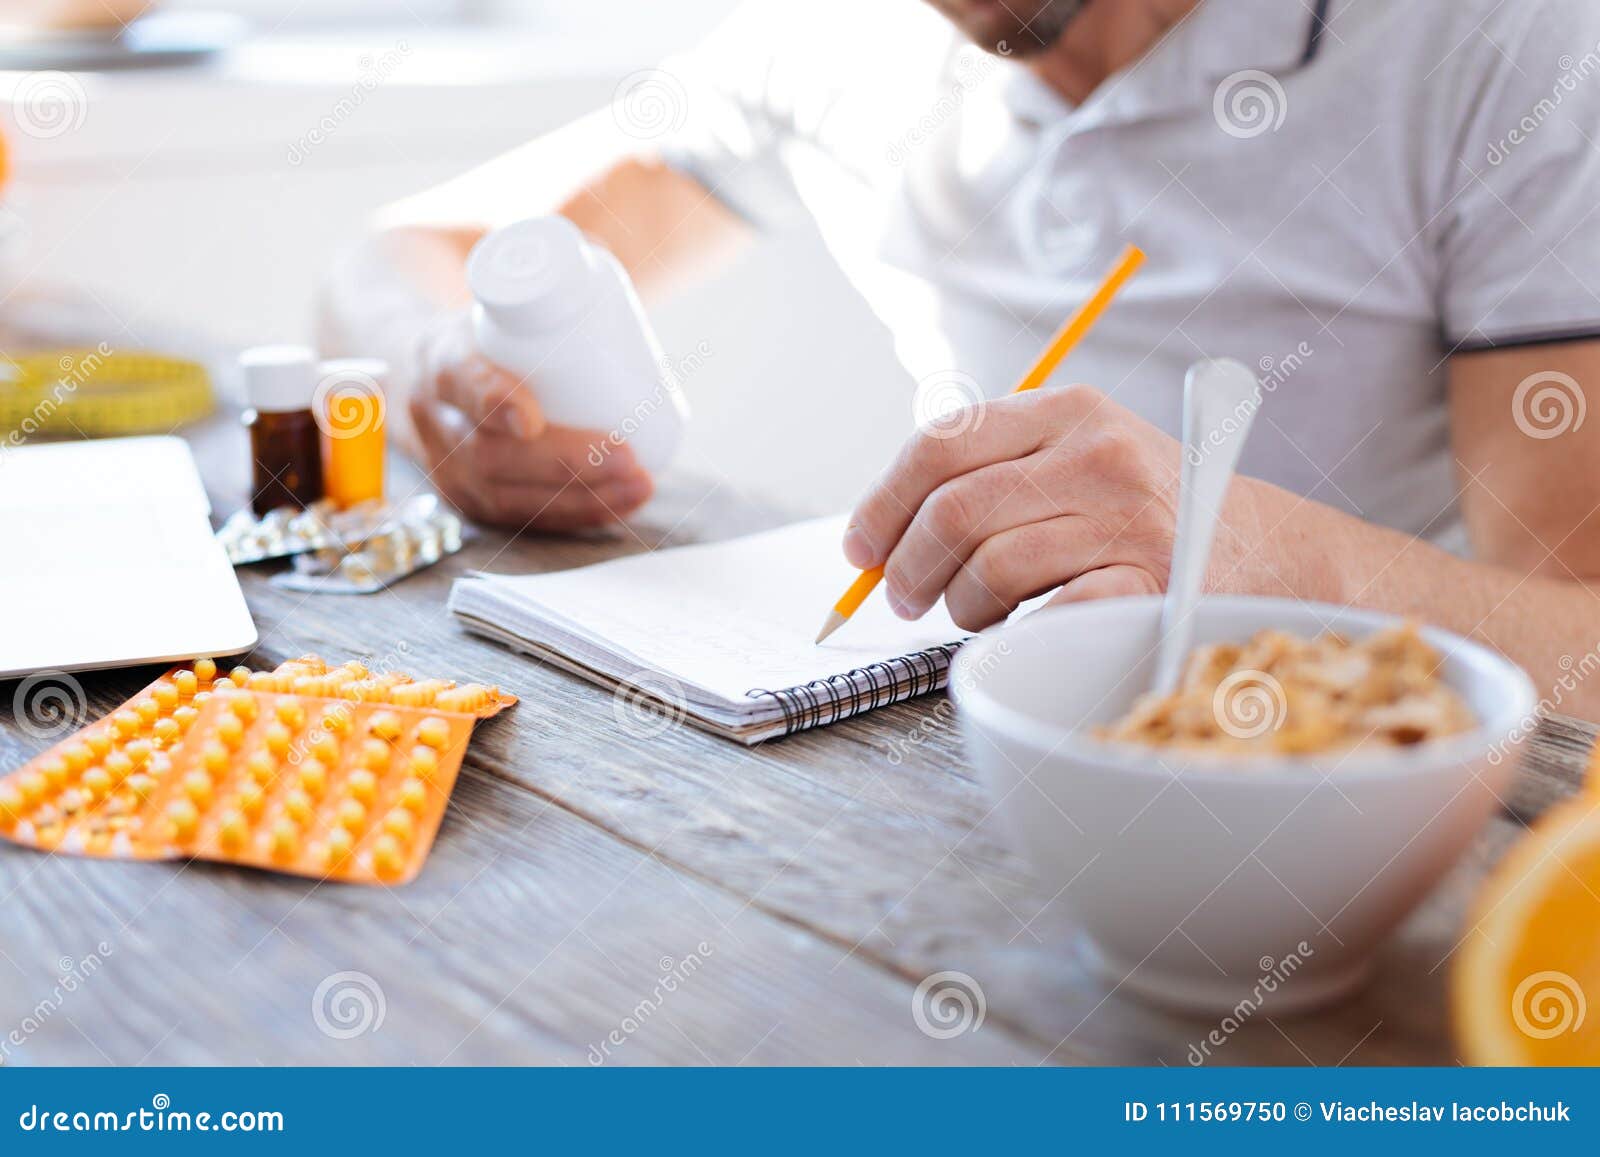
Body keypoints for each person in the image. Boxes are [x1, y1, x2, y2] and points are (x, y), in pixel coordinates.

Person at [320, 0, 1600, 714]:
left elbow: (1584, 644)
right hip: (992, 746)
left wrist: (1256, 554)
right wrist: (446, 369)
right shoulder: (837, 41)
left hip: (1349, 787)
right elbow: (400, 251)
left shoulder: (1504, 45)